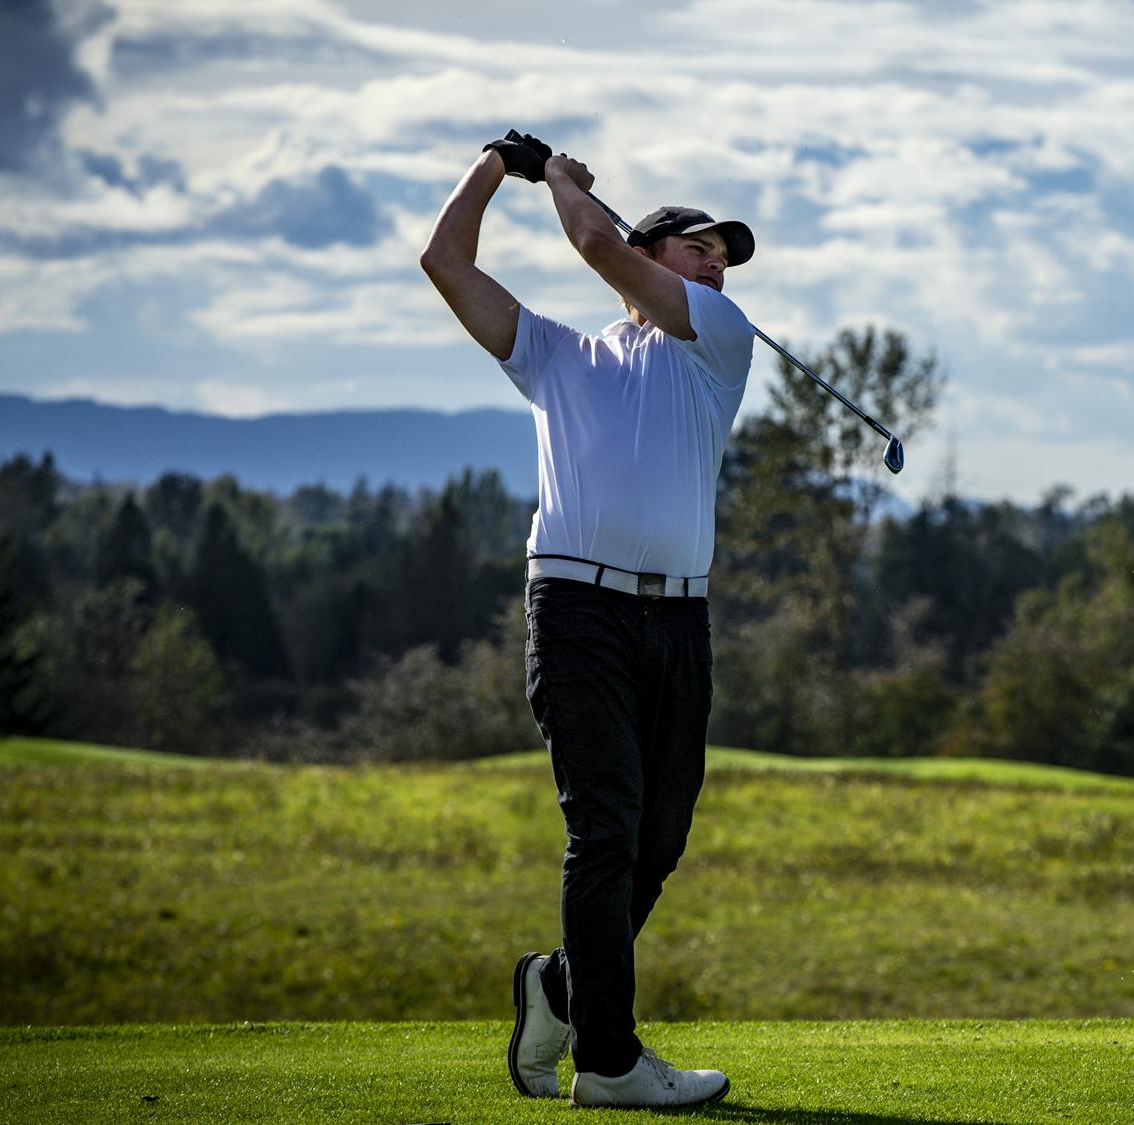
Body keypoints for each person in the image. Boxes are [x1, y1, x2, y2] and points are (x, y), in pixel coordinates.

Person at [419, 129, 755, 1109]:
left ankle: (560, 985)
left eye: (723, 259)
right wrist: (495, 167)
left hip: (677, 624)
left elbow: (595, 249)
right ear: (651, 254)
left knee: (657, 841)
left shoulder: (715, 343)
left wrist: (560, 182)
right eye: (699, 249)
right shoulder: (555, 356)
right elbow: (445, 263)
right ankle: (607, 1060)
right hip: (574, 611)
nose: (717, 267)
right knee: (604, 828)